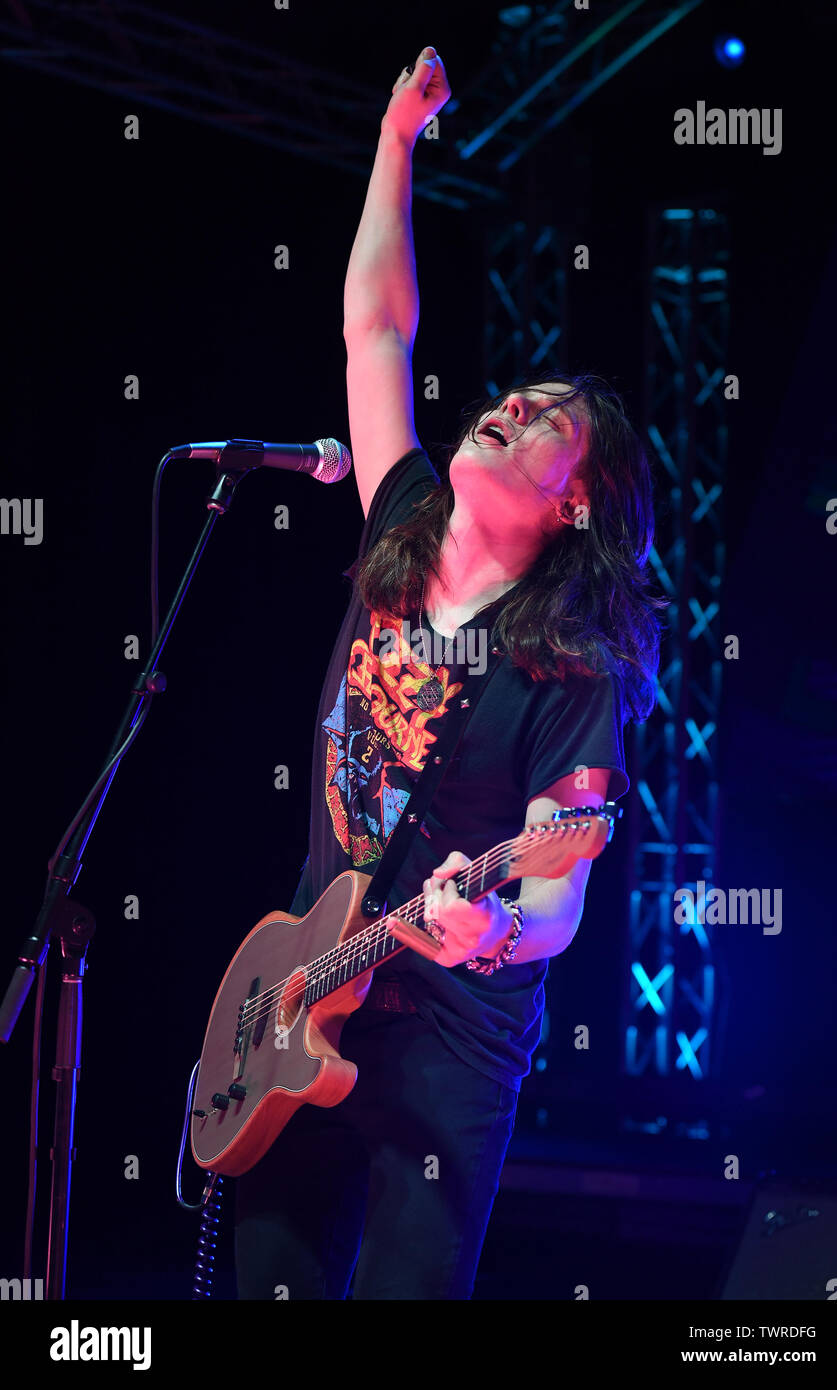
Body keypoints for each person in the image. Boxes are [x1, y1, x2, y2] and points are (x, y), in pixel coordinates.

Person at [234, 44, 662, 1300]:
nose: (509, 409)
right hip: (301, 993)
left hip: (450, 1049)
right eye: (512, 398)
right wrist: (393, 140)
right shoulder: (402, 521)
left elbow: (559, 886)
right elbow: (377, 326)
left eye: (545, 423)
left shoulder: (564, 666)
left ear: (571, 501)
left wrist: (489, 933)